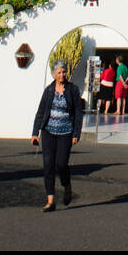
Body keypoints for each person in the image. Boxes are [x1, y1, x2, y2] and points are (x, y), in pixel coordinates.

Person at [31, 60, 83, 211]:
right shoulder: (48, 90)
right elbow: (41, 112)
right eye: (59, 72)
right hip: (48, 132)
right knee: (48, 165)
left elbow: (78, 113)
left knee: (61, 164)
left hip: (65, 132)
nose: (62, 75)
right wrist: (35, 133)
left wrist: (76, 133)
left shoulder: (72, 90)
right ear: (54, 74)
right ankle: (50, 200)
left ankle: (67, 186)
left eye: (64, 72)